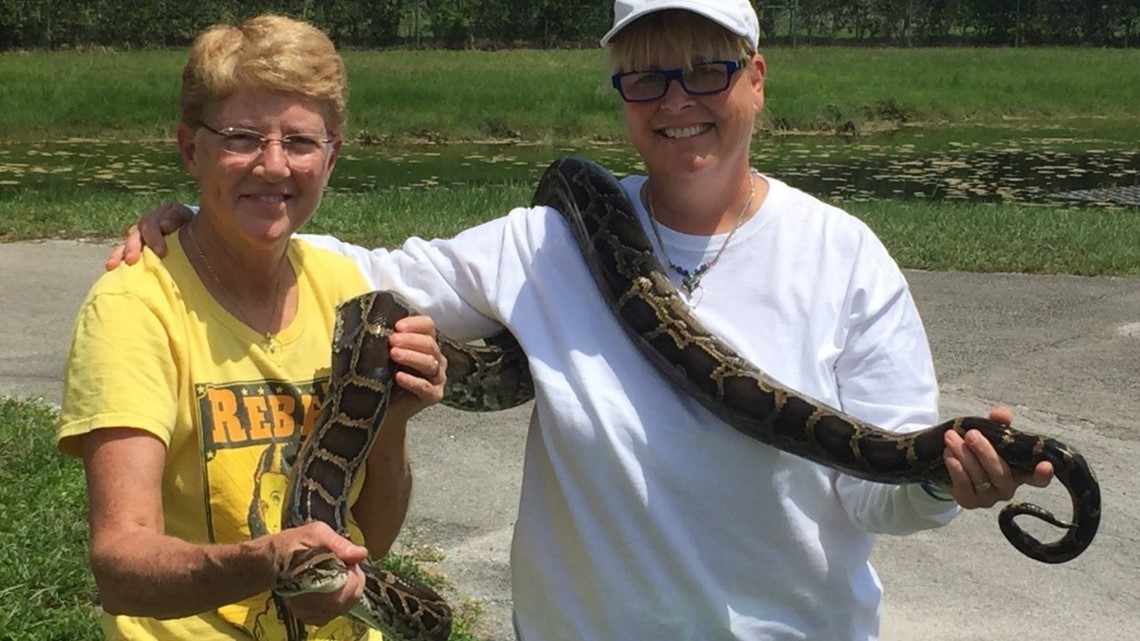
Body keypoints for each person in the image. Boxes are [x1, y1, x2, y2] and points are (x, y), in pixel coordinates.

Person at [110, 1, 1054, 639]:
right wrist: (205, 221)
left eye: (708, 72)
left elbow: (874, 491)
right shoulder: (544, 242)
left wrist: (944, 483)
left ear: (757, 79)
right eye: (646, 80)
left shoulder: (842, 257)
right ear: (621, 96)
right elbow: (352, 274)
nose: (677, 101)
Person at [60, 14, 448, 641]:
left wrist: (392, 421)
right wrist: (267, 562)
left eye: (299, 142)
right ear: (191, 149)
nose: (273, 166)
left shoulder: (350, 296)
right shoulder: (135, 306)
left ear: (332, 156)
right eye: (242, 138)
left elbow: (370, 539)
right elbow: (120, 567)